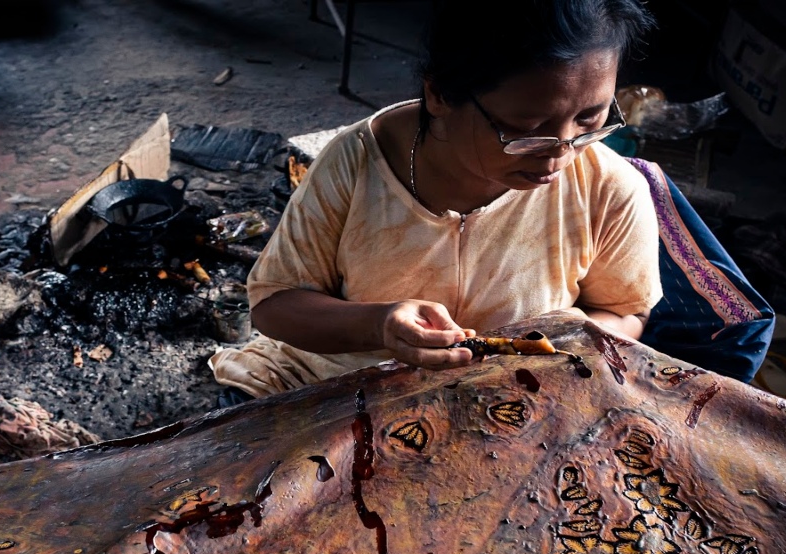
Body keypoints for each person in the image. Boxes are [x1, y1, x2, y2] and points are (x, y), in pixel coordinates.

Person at [210, 0, 662, 402]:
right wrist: (378, 325)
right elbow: (275, 306)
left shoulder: (608, 187)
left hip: (509, 399)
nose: (561, 152)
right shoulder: (358, 162)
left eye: (590, 120)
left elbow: (625, 311)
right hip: (348, 390)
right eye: (525, 129)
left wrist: (559, 344)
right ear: (440, 94)